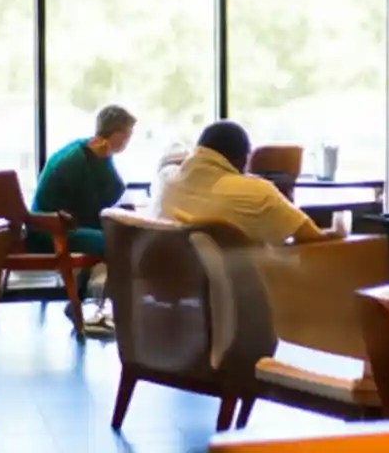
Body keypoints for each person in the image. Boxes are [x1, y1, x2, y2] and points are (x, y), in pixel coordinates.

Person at [32, 105, 135, 333]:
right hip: (47, 229)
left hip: (69, 224)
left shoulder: (96, 153)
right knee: (110, 241)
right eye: (126, 134)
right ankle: (88, 300)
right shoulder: (73, 161)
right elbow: (91, 204)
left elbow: (108, 194)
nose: (128, 139)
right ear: (115, 133)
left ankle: (89, 299)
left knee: (120, 235)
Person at [158, 120, 345, 246]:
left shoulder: (166, 181)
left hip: (172, 288)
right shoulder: (257, 192)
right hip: (244, 292)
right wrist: (339, 232)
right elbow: (312, 239)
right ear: (243, 160)